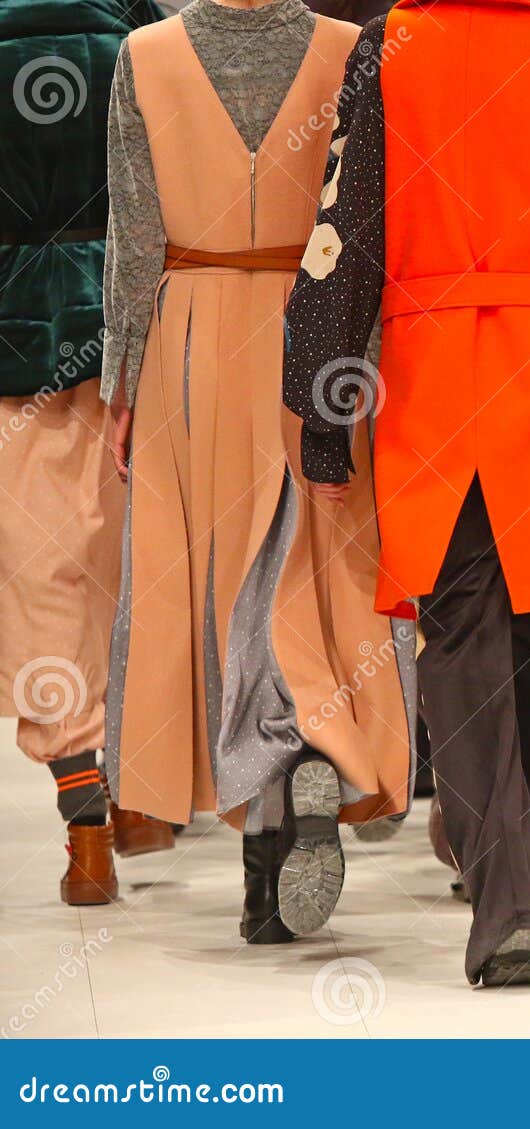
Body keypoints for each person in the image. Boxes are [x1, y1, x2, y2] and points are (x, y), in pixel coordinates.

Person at [283, 0, 530, 985]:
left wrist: (323, 405)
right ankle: (510, 890)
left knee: (460, 630)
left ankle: (503, 870)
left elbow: (343, 229)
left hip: (430, 377)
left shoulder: (390, 48)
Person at [102, 0, 416, 944]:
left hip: (191, 344)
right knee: (317, 588)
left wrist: (121, 382)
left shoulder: (145, 55)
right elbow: (377, 221)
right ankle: (316, 747)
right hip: (320, 342)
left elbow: (133, 241)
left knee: (213, 592)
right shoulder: (350, 49)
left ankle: (261, 857)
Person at [1, 0, 170, 907]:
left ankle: (87, 821)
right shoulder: (137, 31)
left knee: (42, 575)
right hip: (132, 324)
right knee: (138, 555)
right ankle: (143, 785)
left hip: (13, 338)